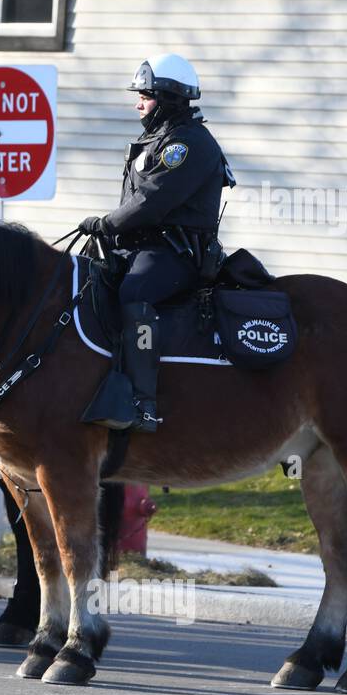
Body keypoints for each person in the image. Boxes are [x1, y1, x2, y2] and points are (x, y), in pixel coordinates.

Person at [77, 53, 234, 433]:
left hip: (174, 253)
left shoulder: (188, 144)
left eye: (145, 96)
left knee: (134, 291)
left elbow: (152, 200)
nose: (138, 103)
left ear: (167, 97)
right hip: (139, 247)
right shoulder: (157, 140)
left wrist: (106, 223)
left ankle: (142, 401)